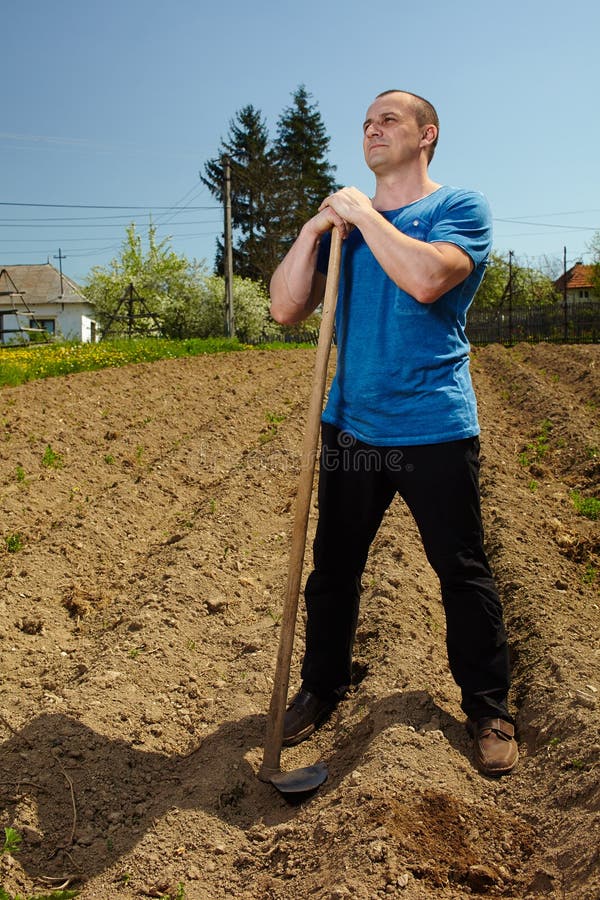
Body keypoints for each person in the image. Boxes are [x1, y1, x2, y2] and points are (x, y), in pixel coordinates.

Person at [269, 89, 518, 776]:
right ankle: (322, 685)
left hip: (434, 424)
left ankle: (489, 708)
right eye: (366, 123)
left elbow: (427, 279)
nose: (371, 130)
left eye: (388, 120)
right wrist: (317, 230)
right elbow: (286, 306)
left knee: (461, 571)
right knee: (334, 570)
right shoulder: (345, 229)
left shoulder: (458, 209)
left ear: (426, 134)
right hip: (352, 426)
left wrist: (362, 216)